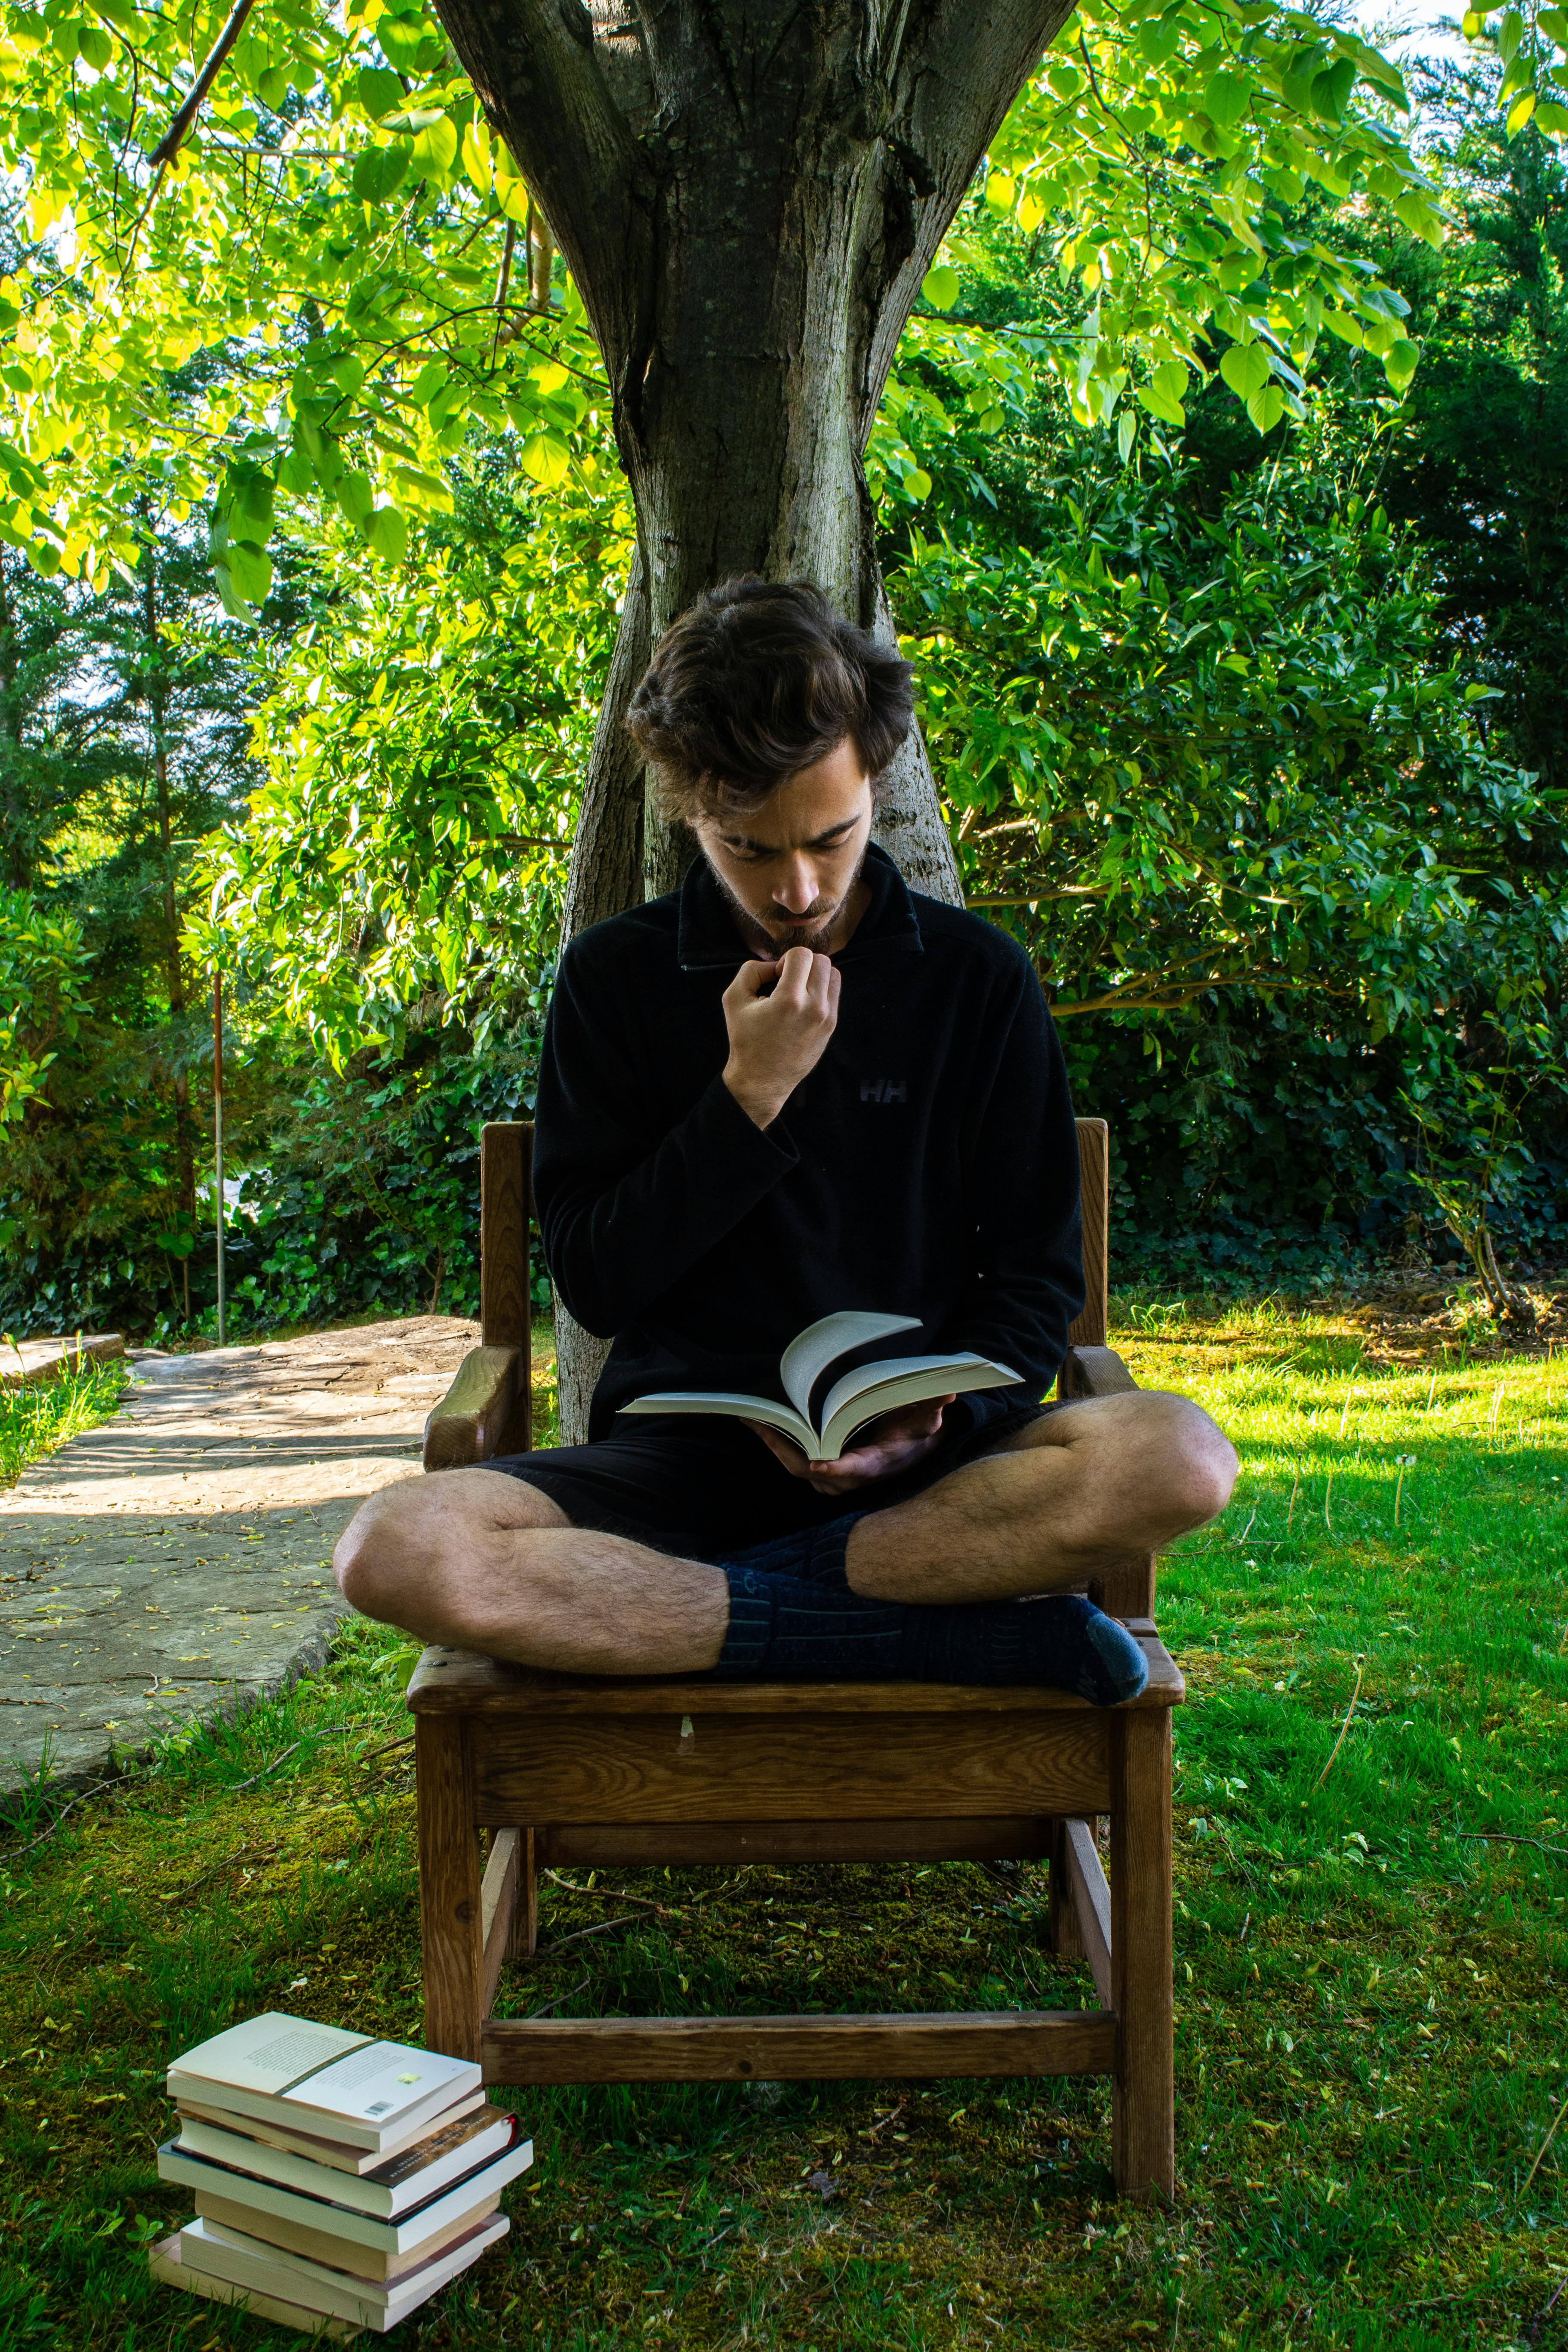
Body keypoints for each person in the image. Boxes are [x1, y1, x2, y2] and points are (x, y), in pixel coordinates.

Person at [335, 579, 1237, 1700]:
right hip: (679, 1468)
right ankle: (921, 1632)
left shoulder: (977, 980)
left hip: (931, 1479)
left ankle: (722, 1606)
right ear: (689, 813)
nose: (799, 889)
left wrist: (943, 1422)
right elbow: (598, 1286)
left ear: (874, 784)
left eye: (831, 838)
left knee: (1179, 1456)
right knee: (396, 1550)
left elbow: (1035, 1282)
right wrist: (746, 1097)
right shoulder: (616, 980)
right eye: (748, 849)